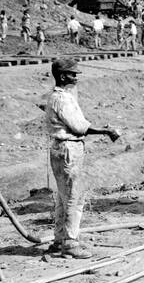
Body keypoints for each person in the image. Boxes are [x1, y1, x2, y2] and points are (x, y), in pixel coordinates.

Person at [43, 57, 119, 259]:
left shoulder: (58, 96)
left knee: (62, 196)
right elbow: (79, 127)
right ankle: (69, 242)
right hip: (68, 148)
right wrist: (105, 131)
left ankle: (59, 239)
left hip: (60, 148)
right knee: (73, 198)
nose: (75, 77)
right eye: (72, 74)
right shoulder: (63, 99)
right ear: (62, 76)